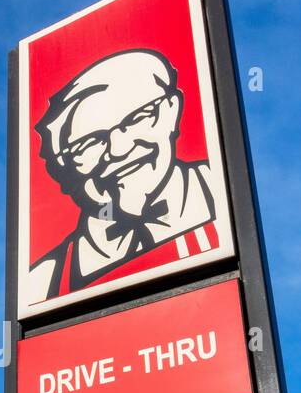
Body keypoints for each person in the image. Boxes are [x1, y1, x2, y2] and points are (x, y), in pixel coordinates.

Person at [28, 48, 219, 304]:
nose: (119, 149)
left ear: (172, 111)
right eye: (89, 143)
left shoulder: (223, 195)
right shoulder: (41, 286)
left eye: (137, 118)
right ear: (63, 170)